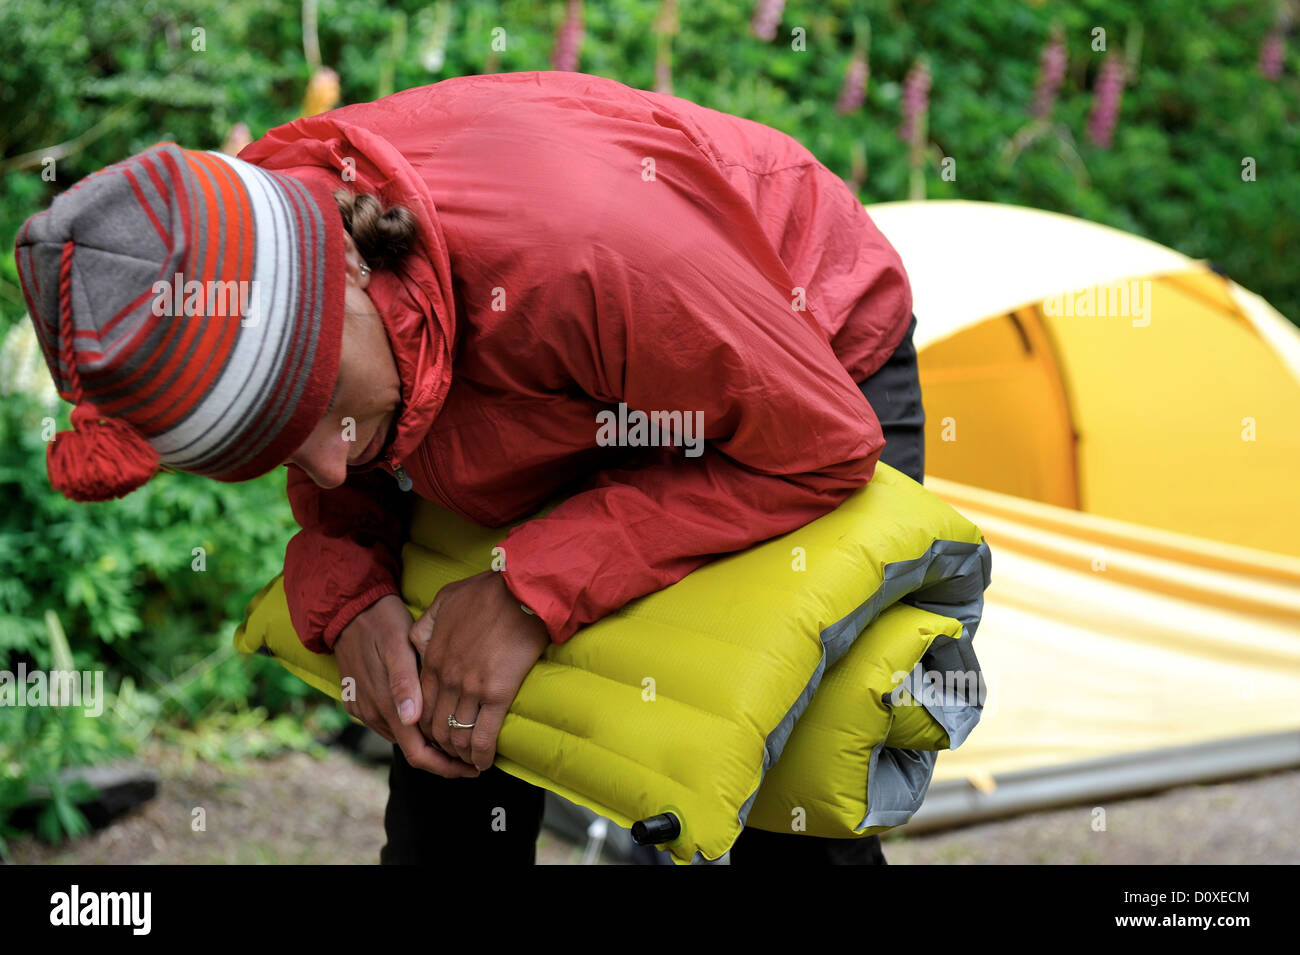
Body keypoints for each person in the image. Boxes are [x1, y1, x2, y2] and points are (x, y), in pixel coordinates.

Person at [15, 70, 920, 865]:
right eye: (282, 448)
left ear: (354, 271)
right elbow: (329, 457)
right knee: (445, 756)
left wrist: (530, 588)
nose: (328, 468)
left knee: (775, 805)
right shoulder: (262, 259)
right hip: (550, 405)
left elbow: (823, 445)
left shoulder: (592, 241)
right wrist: (351, 591)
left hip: (800, 370)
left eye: (326, 413)